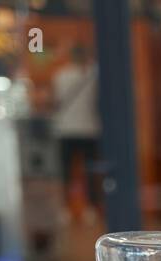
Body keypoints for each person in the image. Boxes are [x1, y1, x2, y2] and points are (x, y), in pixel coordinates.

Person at [51, 44, 102, 222]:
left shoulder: (60, 75)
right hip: (88, 129)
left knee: (67, 172)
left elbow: (55, 100)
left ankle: (66, 209)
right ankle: (90, 208)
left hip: (65, 129)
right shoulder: (91, 75)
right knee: (89, 172)